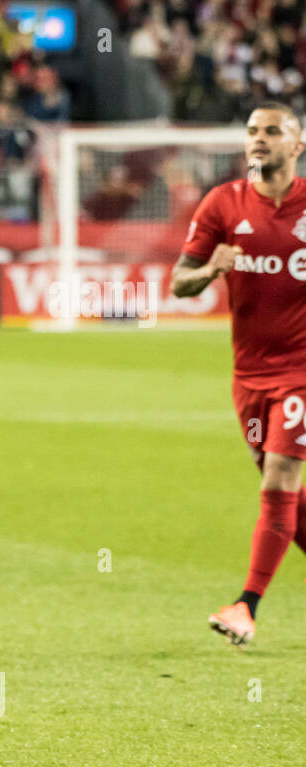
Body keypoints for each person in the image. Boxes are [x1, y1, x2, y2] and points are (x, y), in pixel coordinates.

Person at [171, 102, 306, 647]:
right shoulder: (222, 204)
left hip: (301, 374)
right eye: (253, 131)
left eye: (273, 131)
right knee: (289, 502)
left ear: (296, 144)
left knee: (279, 481)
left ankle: (245, 605)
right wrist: (210, 269)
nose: (259, 140)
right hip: (248, 377)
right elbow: (180, 282)